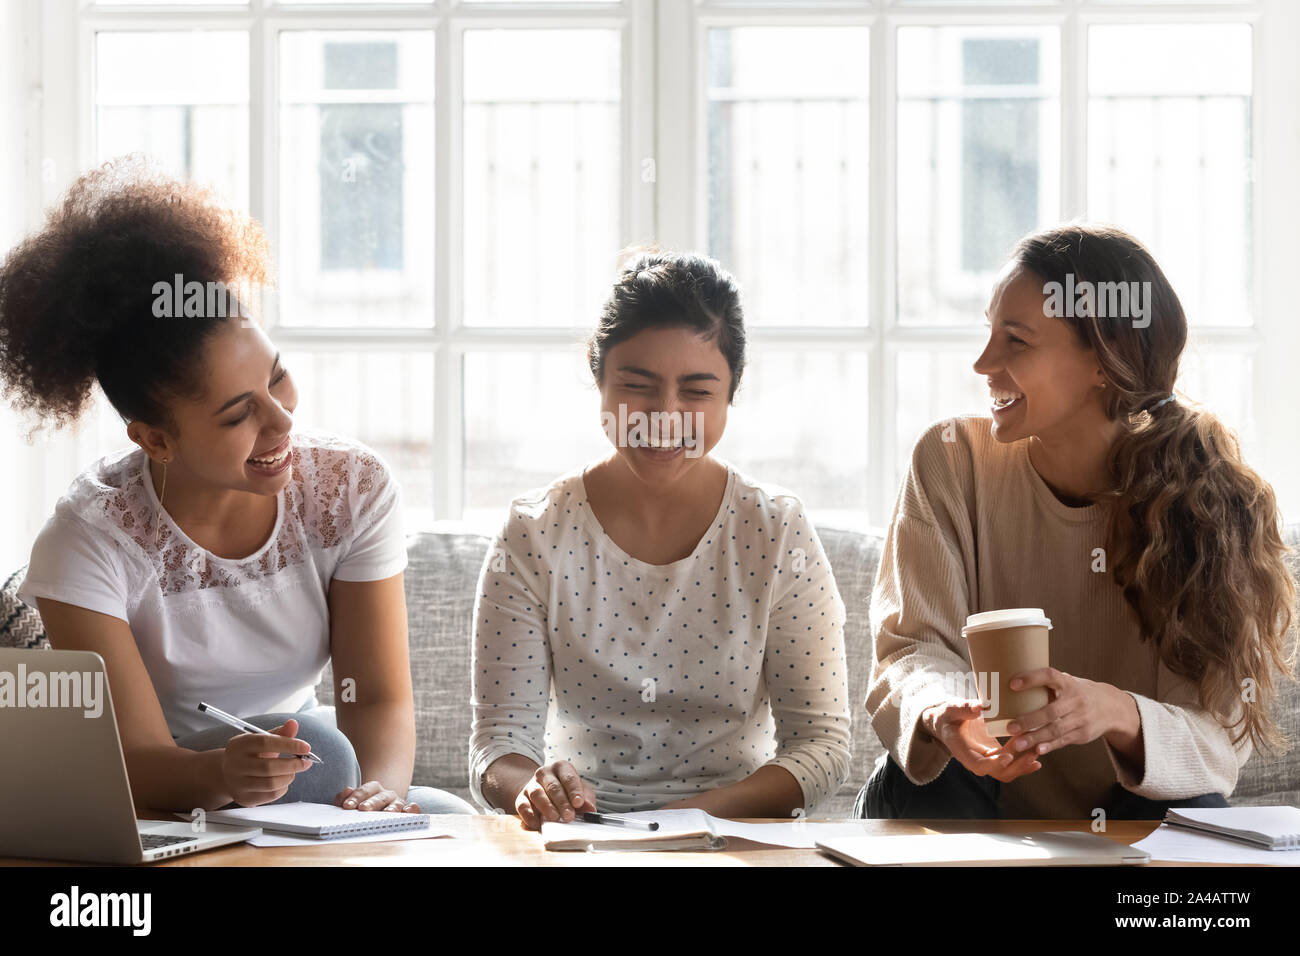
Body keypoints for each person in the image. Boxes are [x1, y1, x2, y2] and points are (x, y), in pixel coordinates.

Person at [0, 156, 473, 815]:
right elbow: (133, 764)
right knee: (322, 756)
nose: (282, 420)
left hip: (314, 780)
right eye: (237, 413)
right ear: (154, 439)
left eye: (276, 378)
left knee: (441, 811)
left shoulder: (351, 490)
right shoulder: (88, 539)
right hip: (177, 803)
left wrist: (373, 804)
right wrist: (221, 777)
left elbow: (379, 700)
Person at [859, 223, 1296, 820]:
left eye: (1015, 341)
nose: (984, 363)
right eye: (990, 333)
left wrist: (1111, 710)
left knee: (1192, 807)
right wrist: (942, 712)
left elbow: (1219, 746)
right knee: (925, 775)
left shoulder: (1211, 505)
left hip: (1125, 811)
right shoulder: (953, 458)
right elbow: (912, 649)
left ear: (1103, 362)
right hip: (971, 797)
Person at [469, 250, 852, 828]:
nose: (664, 416)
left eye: (696, 392)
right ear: (599, 382)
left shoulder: (776, 533)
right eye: (637, 384)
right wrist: (534, 792)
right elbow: (497, 747)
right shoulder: (534, 532)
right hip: (581, 834)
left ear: (730, 393)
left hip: (729, 835)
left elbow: (822, 748)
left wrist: (675, 820)